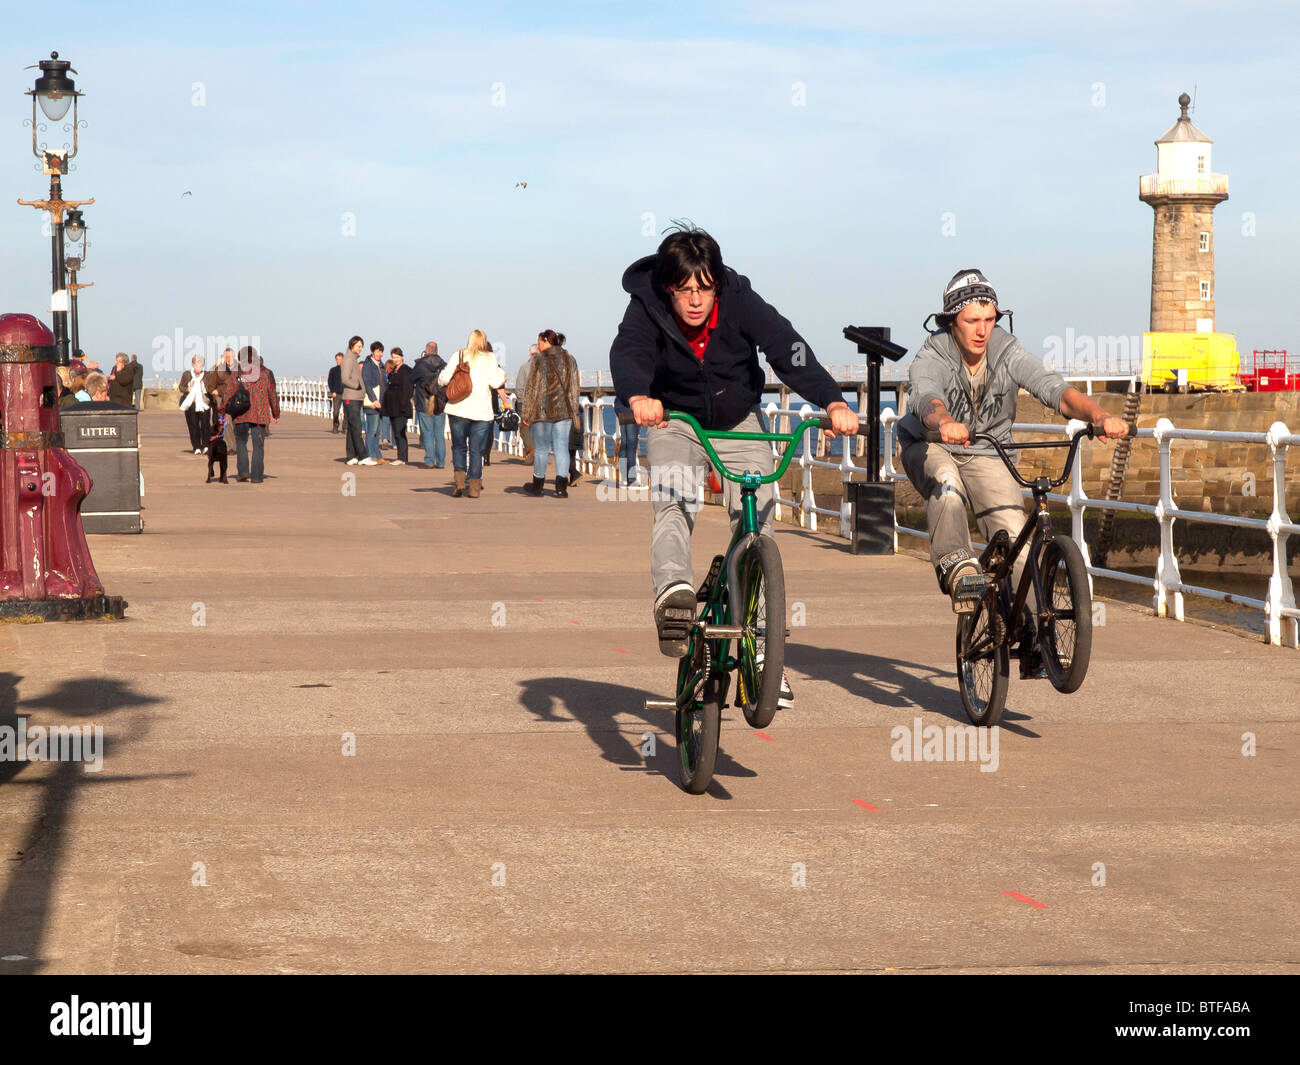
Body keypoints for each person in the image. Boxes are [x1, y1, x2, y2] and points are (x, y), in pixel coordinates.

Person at [610, 223, 859, 714]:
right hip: (675, 418)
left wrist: (832, 400)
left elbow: (787, 348)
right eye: (684, 289)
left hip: (738, 417)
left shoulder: (740, 298)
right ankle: (675, 597)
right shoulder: (647, 306)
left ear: (717, 283)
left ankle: (764, 651)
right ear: (668, 288)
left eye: (704, 287)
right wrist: (638, 395)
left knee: (759, 517)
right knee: (675, 503)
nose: (695, 300)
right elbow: (630, 349)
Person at [896, 268, 1129, 613]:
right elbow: (926, 396)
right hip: (932, 445)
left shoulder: (1007, 350)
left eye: (990, 319)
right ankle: (957, 568)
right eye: (972, 320)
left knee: (1017, 535)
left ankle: (1038, 631)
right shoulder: (933, 355)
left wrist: (1097, 416)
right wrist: (944, 421)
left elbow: (1054, 389)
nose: (982, 330)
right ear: (950, 321)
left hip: (988, 453)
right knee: (947, 487)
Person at [437, 329, 506, 498]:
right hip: (481, 411)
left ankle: (460, 482)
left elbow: (444, 378)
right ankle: (474, 487)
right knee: (476, 450)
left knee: (459, 446)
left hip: (459, 408)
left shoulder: (459, 355)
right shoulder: (490, 358)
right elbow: (496, 381)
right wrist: (501, 375)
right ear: (484, 341)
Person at [520, 329, 580, 497]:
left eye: (539, 342)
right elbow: (575, 387)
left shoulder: (539, 360)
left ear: (546, 341)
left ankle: (537, 485)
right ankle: (561, 488)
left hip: (542, 411)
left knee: (541, 449)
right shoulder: (570, 359)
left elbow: (531, 389)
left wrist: (526, 414)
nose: (538, 346)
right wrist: (574, 409)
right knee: (561, 448)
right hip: (564, 411)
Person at [222, 347, 280, 483]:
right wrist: (276, 412)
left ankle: (243, 472)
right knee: (258, 445)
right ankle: (257, 476)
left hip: (241, 413)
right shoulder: (266, 373)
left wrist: (222, 408)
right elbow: (272, 394)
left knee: (241, 443)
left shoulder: (237, 373)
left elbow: (229, 392)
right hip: (260, 414)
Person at [410, 341, 447, 468]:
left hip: (424, 400)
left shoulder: (420, 365)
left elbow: (411, 379)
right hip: (440, 403)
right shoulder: (444, 365)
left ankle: (429, 461)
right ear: (436, 351)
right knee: (439, 434)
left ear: (426, 351)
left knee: (427, 432)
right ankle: (441, 462)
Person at [383, 347, 414, 466]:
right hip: (392, 405)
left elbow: (408, 389)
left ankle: (403, 457)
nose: (395, 359)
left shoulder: (406, 370)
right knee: (395, 431)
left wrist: (403, 402)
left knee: (400, 431)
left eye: (397, 357)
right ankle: (400, 457)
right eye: (393, 357)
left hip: (401, 406)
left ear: (402, 357)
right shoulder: (394, 370)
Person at [339, 336, 367, 465]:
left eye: (361, 346)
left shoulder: (352, 359)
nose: (361, 348)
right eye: (358, 346)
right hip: (351, 397)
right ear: (352, 346)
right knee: (356, 426)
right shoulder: (349, 359)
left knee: (351, 427)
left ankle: (351, 456)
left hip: (355, 397)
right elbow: (345, 379)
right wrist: (357, 385)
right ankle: (363, 456)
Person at [178, 354, 211, 454]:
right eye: (197, 366)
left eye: (200, 366)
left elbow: (210, 388)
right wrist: (188, 389)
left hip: (203, 402)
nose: (198, 368)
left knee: (205, 424)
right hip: (190, 402)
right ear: (193, 365)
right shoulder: (187, 374)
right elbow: (181, 387)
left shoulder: (207, 375)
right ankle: (196, 446)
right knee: (193, 425)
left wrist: (203, 388)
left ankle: (206, 445)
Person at [361, 340, 387, 464]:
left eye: (381, 351)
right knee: (372, 430)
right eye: (377, 351)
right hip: (372, 402)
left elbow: (384, 384)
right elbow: (367, 383)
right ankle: (370, 455)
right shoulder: (368, 364)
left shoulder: (381, 365)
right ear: (372, 352)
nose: (379, 354)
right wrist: (374, 399)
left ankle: (377, 455)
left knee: (377, 431)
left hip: (380, 401)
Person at [515, 344, 538, 460]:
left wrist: (521, 402)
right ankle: (538, 453)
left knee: (524, 428)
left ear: (530, 354)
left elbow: (519, 388)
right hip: (541, 404)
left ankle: (531, 449)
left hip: (527, 403)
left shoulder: (524, 367)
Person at [614, 396, 642, 487]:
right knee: (631, 447)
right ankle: (631, 478)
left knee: (624, 444)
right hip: (632, 412)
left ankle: (624, 478)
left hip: (622, 412)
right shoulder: (636, 385)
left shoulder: (622, 385)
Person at [328, 352, 345, 432]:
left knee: (347, 412)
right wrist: (333, 391)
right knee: (335, 412)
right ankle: (335, 426)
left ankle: (345, 428)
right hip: (337, 394)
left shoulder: (347, 369)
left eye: (340, 359)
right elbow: (330, 381)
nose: (339, 361)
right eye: (337, 359)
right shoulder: (333, 370)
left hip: (346, 394)